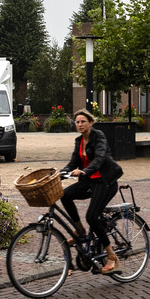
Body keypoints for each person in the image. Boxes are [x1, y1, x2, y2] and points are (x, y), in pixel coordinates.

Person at [60, 109, 124, 273]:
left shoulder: (99, 136)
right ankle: (80, 231)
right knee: (65, 195)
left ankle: (111, 256)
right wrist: (61, 173)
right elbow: (73, 162)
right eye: (77, 122)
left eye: (83, 121)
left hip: (105, 181)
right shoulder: (79, 140)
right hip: (89, 180)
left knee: (92, 216)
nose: (80, 124)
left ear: (91, 123)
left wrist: (84, 171)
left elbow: (99, 158)